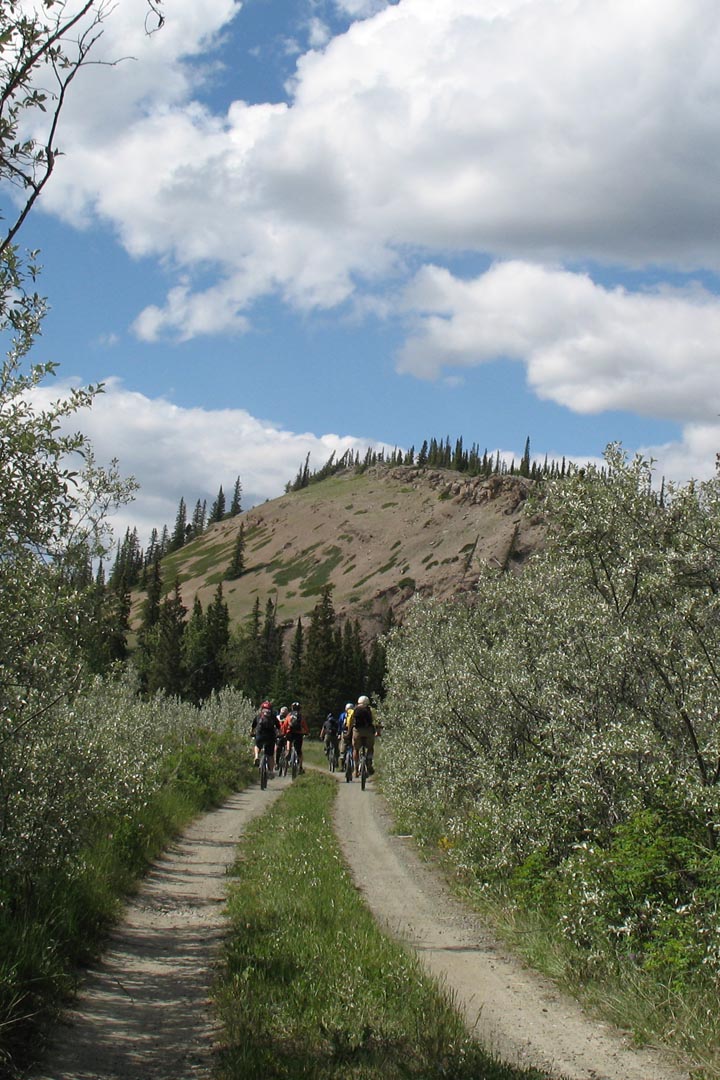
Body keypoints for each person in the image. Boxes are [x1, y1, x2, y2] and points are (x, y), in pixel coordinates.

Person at [349, 694, 377, 777]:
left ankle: (355, 770)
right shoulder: (371, 710)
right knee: (370, 748)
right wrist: (377, 731)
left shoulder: (354, 710)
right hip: (368, 731)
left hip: (357, 731)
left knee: (356, 749)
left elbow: (350, 721)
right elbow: (376, 721)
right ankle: (369, 761)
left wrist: (349, 731)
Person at [252, 700, 279, 774]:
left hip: (260, 735)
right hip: (270, 737)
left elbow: (253, 726)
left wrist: (252, 733)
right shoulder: (273, 717)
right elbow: (279, 727)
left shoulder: (258, 716)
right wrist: (279, 734)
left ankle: (256, 756)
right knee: (270, 755)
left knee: (257, 745)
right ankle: (271, 771)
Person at [286, 701, 309, 773]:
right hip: (298, 734)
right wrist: (306, 732)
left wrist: (283, 732)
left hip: (290, 733)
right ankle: (300, 767)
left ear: (292, 708)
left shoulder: (289, 715)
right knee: (299, 751)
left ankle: (288, 751)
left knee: (289, 740)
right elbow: (305, 726)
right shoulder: (301, 716)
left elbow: (285, 725)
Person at [338, 702, 354, 767]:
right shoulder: (354, 714)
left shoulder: (342, 715)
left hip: (345, 732)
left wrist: (339, 733)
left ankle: (342, 756)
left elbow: (340, 724)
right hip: (353, 732)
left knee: (343, 743)